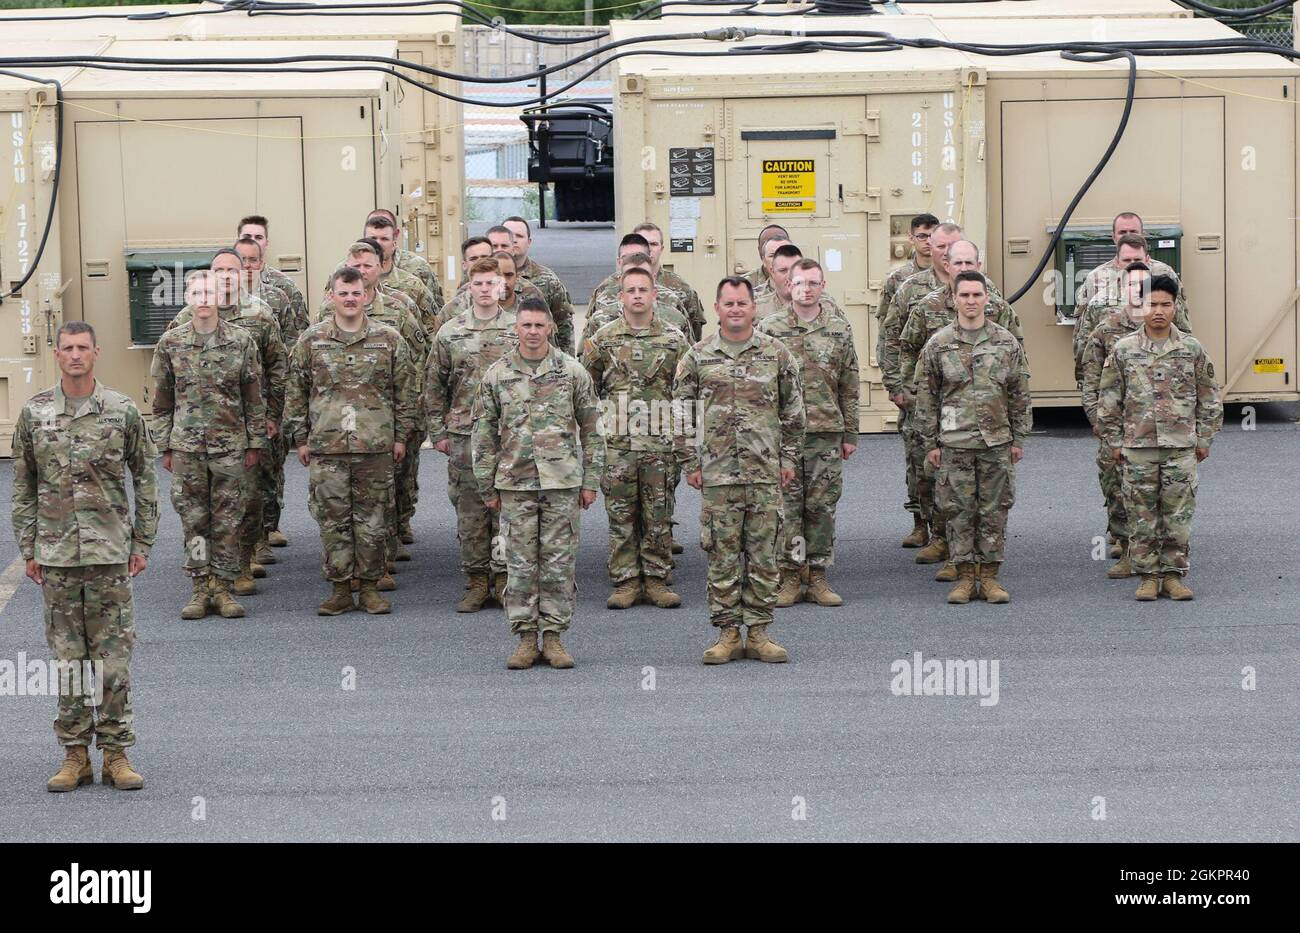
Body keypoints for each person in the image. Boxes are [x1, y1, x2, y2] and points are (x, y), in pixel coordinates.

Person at [12, 321, 159, 792]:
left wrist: (143, 541)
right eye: (67, 348)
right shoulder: (34, 414)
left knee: (113, 659)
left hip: (110, 555)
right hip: (56, 556)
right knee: (70, 659)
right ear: (56, 355)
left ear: (96, 353)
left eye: (83, 348)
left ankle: (117, 753)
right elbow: (23, 486)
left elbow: (147, 477)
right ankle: (75, 755)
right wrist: (28, 546)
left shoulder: (121, 411)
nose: (75, 355)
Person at [673, 277, 804, 665]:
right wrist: (689, 462)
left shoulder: (776, 353)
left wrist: (788, 459)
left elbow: (794, 413)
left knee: (764, 555)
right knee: (722, 555)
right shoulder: (697, 356)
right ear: (716, 308)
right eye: (728, 303)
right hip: (717, 475)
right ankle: (728, 633)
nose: (735, 309)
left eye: (742, 303)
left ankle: (760, 632)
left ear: (753, 307)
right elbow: (680, 414)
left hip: (765, 472)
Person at [472, 300, 605, 670]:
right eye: (526, 325)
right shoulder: (498, 375)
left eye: (538, 325)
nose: (532, 331)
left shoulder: (572, 372)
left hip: (562, 483)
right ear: (516, 328)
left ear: (550, 328)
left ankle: (555, 637)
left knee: (559, 564)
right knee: (519, 564)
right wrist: (487, 486)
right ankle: (526, 638)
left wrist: (591, 480)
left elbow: (593, 430)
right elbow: (483, 436)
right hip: (515, 484)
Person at [285, 266, 418, 615]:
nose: (349, 299)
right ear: (331, 296)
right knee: (332, 520)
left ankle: (372, 587)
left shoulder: (388, 340)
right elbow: (295, 392)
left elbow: (406, 391)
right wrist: (300, 438)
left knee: (374, 520)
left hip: (374, 445)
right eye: (342, 293)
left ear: (365, 296)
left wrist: (401, 436)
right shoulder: (311, 341)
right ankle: (340, 588)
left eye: (355, 293)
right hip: (327, 447)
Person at [898, 239, 1026, 582]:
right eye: (964, 296)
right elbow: (926, 398)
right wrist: (930, 444)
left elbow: (1019, 391)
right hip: (953, 439)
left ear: (987, 298)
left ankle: (989, 578)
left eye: (976, 295)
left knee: (994, 511)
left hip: (995, 438)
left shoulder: (1005, 341)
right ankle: (964, 575)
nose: (971, 301)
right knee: (957, 508)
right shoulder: (938, 344)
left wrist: (1019, 438)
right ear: (953, 299)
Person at [1097, 275, 1223, 601]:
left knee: (1177, 515)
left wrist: (1205, 438)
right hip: (1137, 447)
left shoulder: (1191, 349)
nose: (1158, 311)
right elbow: (1109, 401)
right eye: (1152, 304)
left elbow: (1209, 396)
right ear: (1141, 307)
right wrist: (1113, 442)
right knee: (1141, 515)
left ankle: (1173, 575)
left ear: (1175, 307)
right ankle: (1147, 577)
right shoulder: (1123, 350)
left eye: (1166, 304)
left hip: (1180, 447)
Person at [170, 249, 287, 596]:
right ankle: (205, 577)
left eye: (231, 270)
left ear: (243, 275)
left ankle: (241, 561)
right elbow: (167, 377)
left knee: (247, 499)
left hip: (243, 423)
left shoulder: (260, 315)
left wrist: (272, 415)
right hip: (196, 431)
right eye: (217, 270)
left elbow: (277, 368)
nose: (224, 276)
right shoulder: (185, 319)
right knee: (198, 511)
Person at [152, 271, 265, 620]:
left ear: (220, 297)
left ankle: (225, 588)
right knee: (195, 522)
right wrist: (165, 447)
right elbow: (161, 401)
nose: (203, 298)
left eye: (209, 292)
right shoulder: (171, 343)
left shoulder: (241, 340)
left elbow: (253, 397)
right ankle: (201, 587)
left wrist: (255, 442)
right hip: (187, 447)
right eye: (197, 292)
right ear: (187, 296)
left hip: (230, 445)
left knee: (228, 521)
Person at [581, 266, 690, 610]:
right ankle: (626, 580)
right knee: (621, 515)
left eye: (644, 289)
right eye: (631, 290)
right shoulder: (604, 339)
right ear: (621, 297)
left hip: (660, 443)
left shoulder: (674, 340)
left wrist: (686, 442)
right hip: (618, 445)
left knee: (658, 514)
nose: (638, 295)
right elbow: (586, 388)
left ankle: (656, 579)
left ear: (655, 295)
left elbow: (688, 391)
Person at [757, 258, 859, 607]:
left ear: (823, 285)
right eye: (799, 283)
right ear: (789, 286)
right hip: (782, 435)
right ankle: (789, 575)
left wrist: (851, 434)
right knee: (786, 507)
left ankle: (817, 576)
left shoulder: (838, 328)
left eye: (813, 283)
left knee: (821, 507)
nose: (805, 289)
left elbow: (849, 384)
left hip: (825, 433)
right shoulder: (769, 329)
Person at [425, 257, 519, 612]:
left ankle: (506, 578)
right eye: (478, 283)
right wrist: (438, 431)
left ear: (502, 287)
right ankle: (478, 581)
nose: (485, 290)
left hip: (508, 435)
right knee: (470, 511)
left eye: (491, 283)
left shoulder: (516, 329)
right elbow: (434, 386)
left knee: (508, 508)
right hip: (464, 434)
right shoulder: (450, 332)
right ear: (469, 286)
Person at [1079, 262, 1151, 578]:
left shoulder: (1165, 329)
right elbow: (1090, 376)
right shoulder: (1106, 329)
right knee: (1115, 487)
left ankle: (1154, 557)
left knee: (1153, 492)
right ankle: (1125, 548)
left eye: (1145, 285)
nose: (1139, 290)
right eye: (1133, 284)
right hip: (1116, 426)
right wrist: (1097, 419)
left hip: (1155, 428)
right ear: (1122, 289)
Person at [877, 213, 940, 549]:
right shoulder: (900, 281)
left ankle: (945, 530)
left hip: (948, 386)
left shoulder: (959, 278)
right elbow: (888, 335)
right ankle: (920, 523)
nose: (928, 241)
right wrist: (894, 384)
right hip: (913, 385)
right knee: (916, 459)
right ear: (912, 240)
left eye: (933, 235)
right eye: (922, 235)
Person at [503, 216, 575, 353]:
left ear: (529, 242)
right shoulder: (483, 281)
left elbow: (563, 324)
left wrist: (566, 362)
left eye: (519, 236)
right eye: (510, 235)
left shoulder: (548, 280)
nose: (514, 240)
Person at [366, 207, 444, 307]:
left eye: (384, 237)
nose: (378, 243)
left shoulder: (418, 267)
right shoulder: (349, 267)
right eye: (373, 237)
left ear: (395, 235)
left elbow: (436, 311)